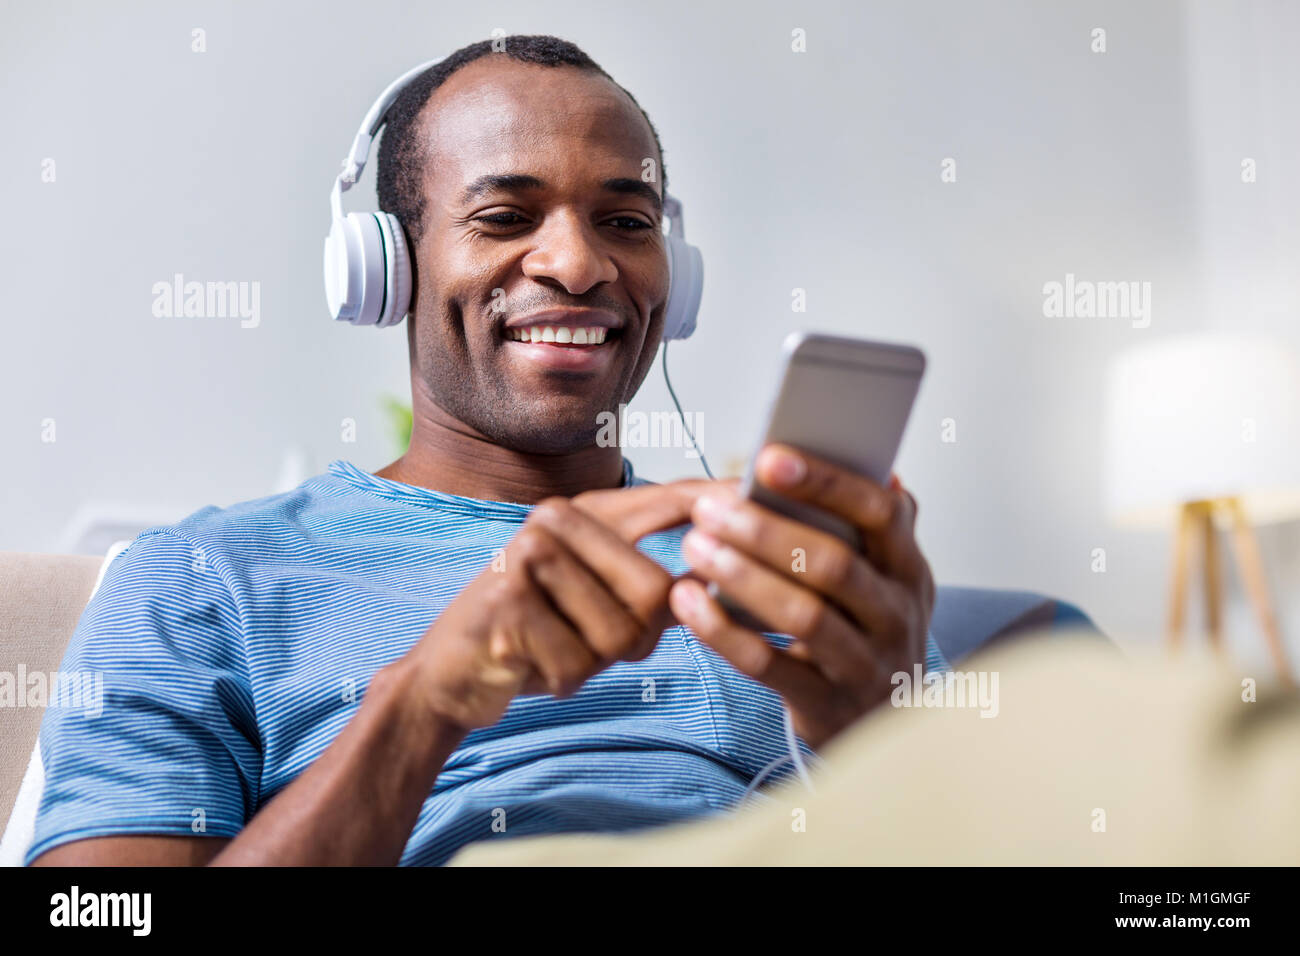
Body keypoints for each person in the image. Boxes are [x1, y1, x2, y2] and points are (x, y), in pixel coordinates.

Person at [28, 35, 946, 867]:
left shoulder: (783, 572)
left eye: (627, 222)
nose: (578, 265)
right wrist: (424, 701)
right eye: (506, 217)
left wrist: (881, 742)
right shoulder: (196, 580)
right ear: (384, 265)